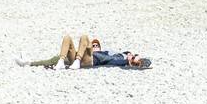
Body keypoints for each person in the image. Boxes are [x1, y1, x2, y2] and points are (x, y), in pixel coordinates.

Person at [17, 35, 151, 70]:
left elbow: (118, 62)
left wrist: (132, 59)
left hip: (88, 61)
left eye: (96, 45)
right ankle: (28, 62)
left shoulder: (109, 55)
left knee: (84, 37)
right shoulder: (99, 52)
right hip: (77, 58)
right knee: (67, 39)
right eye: (93, 45)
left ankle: (75, 61)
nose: (94, 46)